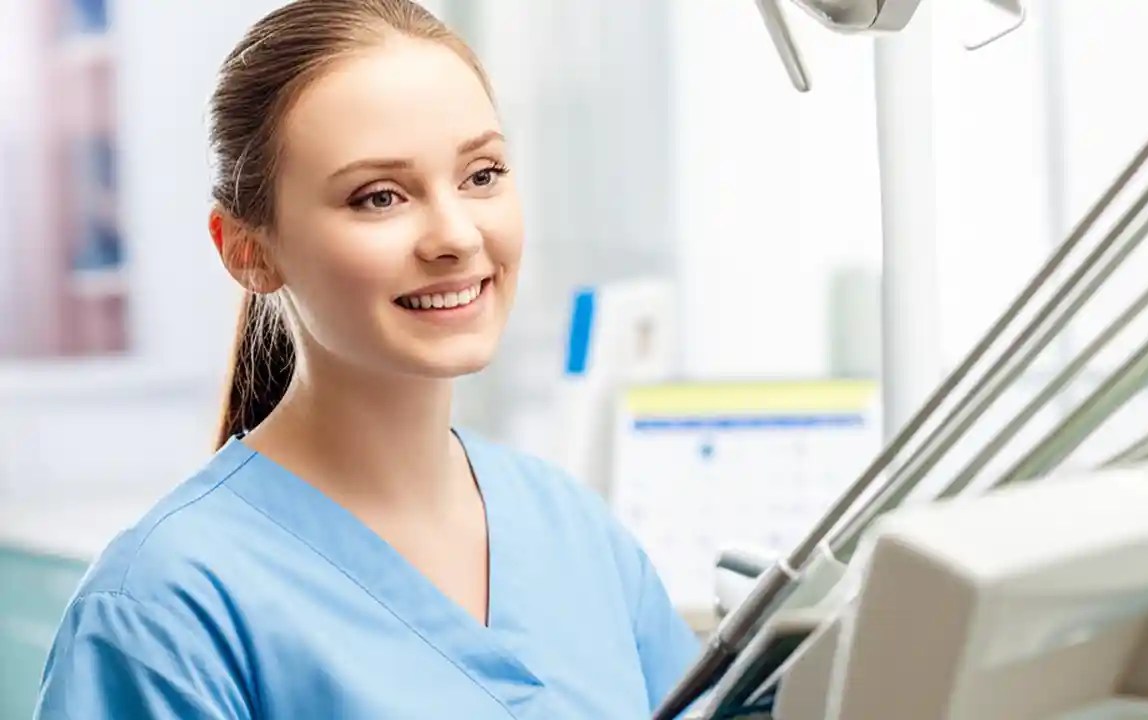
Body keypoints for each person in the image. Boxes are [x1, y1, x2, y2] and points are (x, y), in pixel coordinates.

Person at [33, 1, 700, 717]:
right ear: (247, 251)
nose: (456, 236)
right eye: (379, 196)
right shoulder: (164, 610)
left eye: (482, 175)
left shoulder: (574, 533)